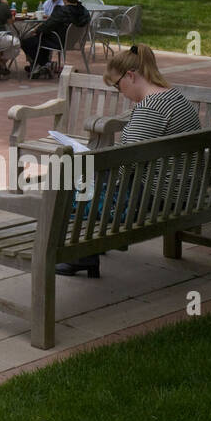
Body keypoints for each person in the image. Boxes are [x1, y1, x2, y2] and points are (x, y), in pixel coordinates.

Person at [57, 44, 201, 277]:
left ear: (131, 76)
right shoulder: (175, 98)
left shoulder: (151, 108)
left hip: (160, 200)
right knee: (89, 185)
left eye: (117, 85)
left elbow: (123, 164)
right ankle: (91, 247)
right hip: (182, 190)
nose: (119, 91)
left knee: (71, 189)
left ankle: (83, 255)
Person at [21, 0, 91, 77]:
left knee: (27, 40)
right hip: (75, 42)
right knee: (40, 38)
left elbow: (48, 25)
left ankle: (42, 64)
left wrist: (35, 31)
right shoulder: (84, 11)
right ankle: (41, 65)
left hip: (59, 42)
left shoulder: (61, 11)